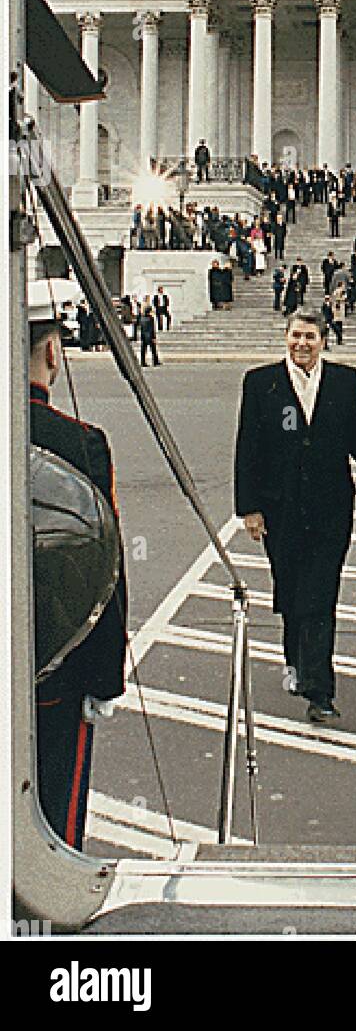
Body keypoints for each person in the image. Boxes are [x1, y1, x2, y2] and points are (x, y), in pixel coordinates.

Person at [234, 310, 356, 723]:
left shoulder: (344, 381)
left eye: (310, 337)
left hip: (330, 507)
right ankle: (295, 660)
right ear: (286, 338)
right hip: (279, 507)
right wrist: (249, 508)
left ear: (324, 340)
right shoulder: (260, 382)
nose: (302, 344)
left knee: (321, 592)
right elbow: (248, 447)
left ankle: (319, 690)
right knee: (290, 587)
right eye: (295, 336)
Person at [28, 281, 128, 849]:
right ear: (52, 352)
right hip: (53, 666)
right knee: (52, 817)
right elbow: (103, 569)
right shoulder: (81, 442)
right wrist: (104, 676)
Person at [138, 300, 161, 367]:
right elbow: (152, 329)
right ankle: (155, 361)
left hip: (144, 336)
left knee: (143, 350)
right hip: (150, 336)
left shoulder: (142, 318)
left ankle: (143, 362)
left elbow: (141, 328)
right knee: (153, 350)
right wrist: (154, 337)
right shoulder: (150, 318)